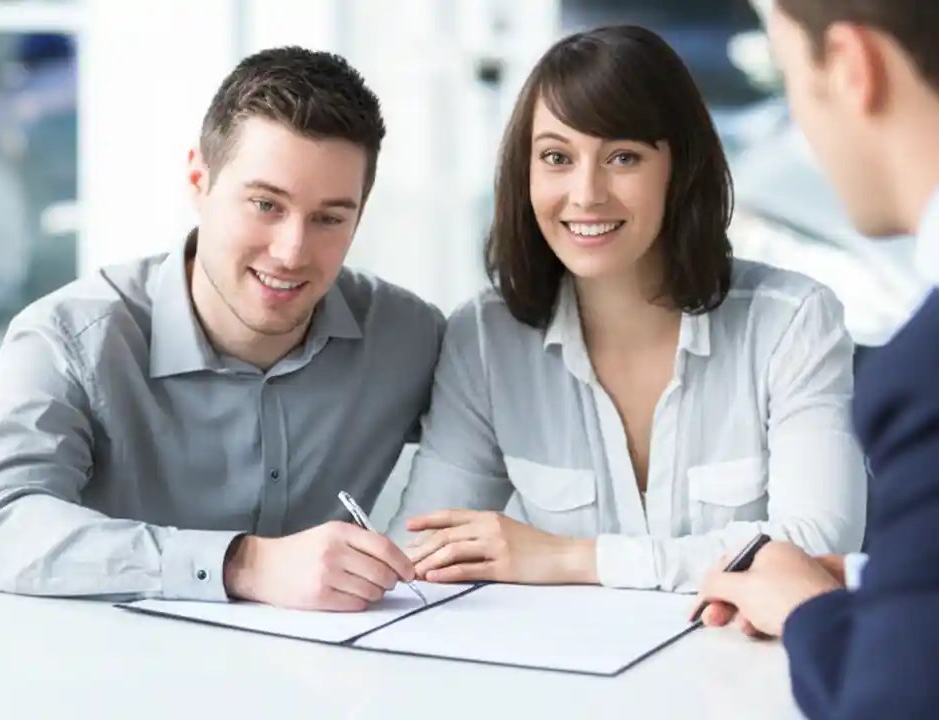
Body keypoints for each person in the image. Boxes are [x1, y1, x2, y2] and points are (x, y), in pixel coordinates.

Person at [0, 46, 446, 612]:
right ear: (199, 179)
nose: (291, 251)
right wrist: (243, 563)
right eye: (266, 204)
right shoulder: (69, 338)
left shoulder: (406, 336)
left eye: (330, 218)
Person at [386, 25, 866, 593]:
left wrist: (572, 560)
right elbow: (421, 553)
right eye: (557, 157)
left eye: (622, 157)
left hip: (740, 669)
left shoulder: (792, 323)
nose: (586, 193)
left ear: (679, 170)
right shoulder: (486, 337)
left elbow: (816, 546)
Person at [696, 1, 939, 716]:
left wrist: (814, 615)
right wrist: (882, 580)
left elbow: (893, 702)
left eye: (788, 72)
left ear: (853, 68)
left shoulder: (923, 378)